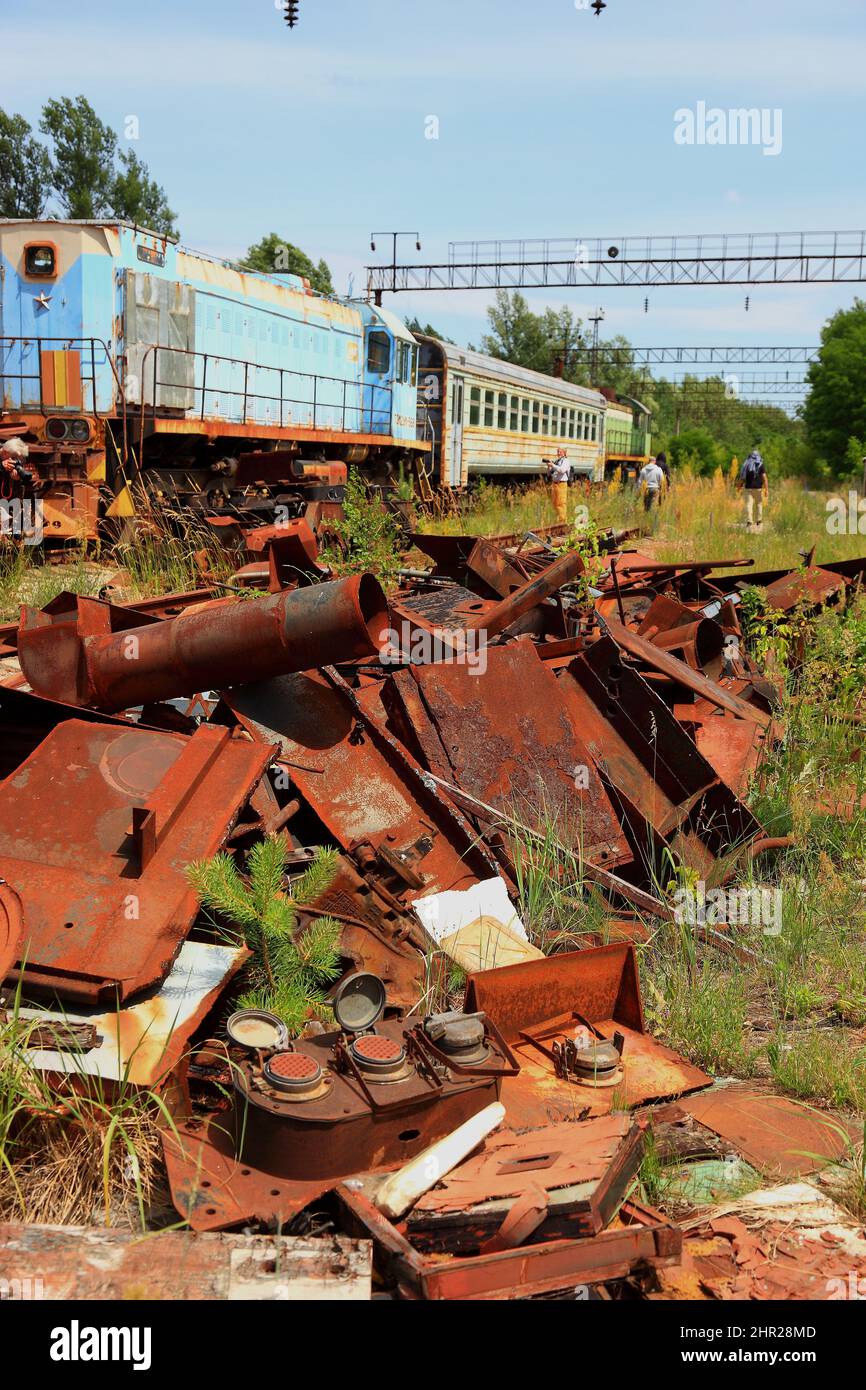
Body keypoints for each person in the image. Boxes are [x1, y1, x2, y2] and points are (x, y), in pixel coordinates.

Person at [738, 449, 768, 529]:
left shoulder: (746, 464)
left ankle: (749, 521)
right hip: (758, 488)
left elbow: (742, 478)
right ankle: (759, 521)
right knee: (759, 504)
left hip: (748, 488)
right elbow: (764, 478)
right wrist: (766, 489)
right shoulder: (761, 464)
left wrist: (739, 487)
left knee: (748, 504)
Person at [545, 446, 571, 523]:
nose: (558, 453)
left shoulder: (566, 461)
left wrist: (553, 465)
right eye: (557, 451)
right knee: (554, 503)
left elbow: (562, 470)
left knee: (561, 503)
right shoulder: (557, 461)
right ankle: (557, 521)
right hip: (555, 484)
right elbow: (549, 473)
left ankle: (562, 522)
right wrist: (549, 467)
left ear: (564, 452)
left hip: (562, 484)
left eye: (560, 451)